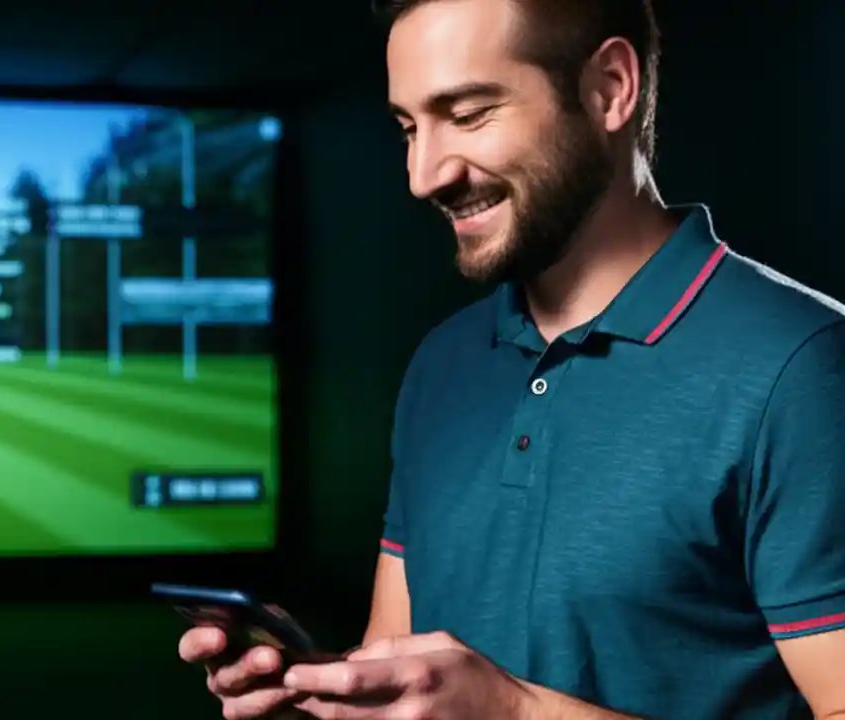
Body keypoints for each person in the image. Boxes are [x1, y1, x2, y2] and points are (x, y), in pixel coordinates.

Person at [179, 0, 845, 717]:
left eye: (467, 115)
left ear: (610, 88)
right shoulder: (443, 363)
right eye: (408, 127)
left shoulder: (805, 370)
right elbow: (398, 657)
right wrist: (326, 691)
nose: (424, 175)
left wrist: (517, 712)